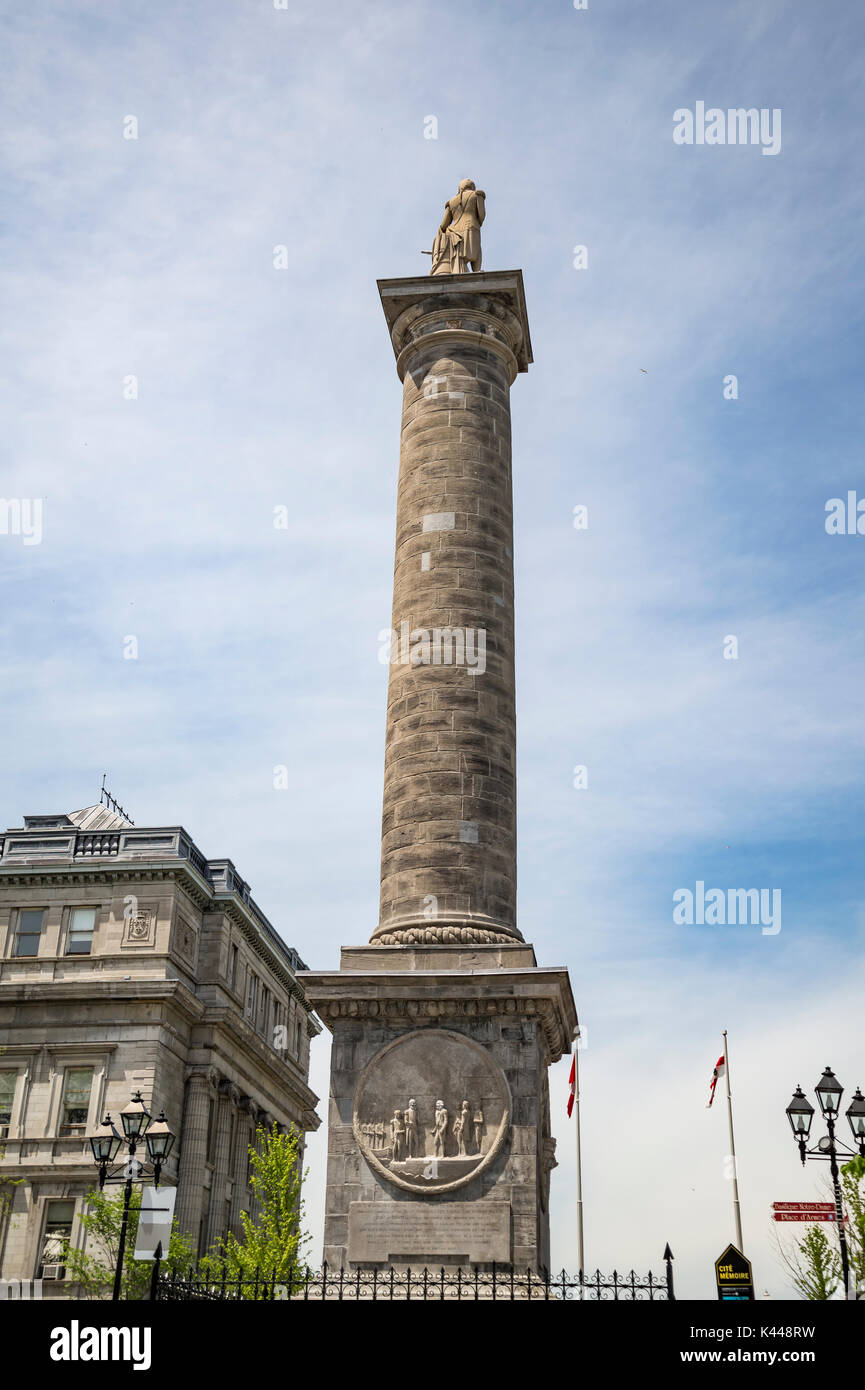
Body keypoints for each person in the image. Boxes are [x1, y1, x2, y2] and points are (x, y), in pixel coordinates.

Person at [430, 180, 485, 276]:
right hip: (470, 226)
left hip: (453, 231)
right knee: (476, 251)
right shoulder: (477, 195)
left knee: (459, 254)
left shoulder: (451, 202)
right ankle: (476, 271)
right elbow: (481, 216)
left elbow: (444, 225)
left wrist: (439, 237)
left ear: (460, 188)